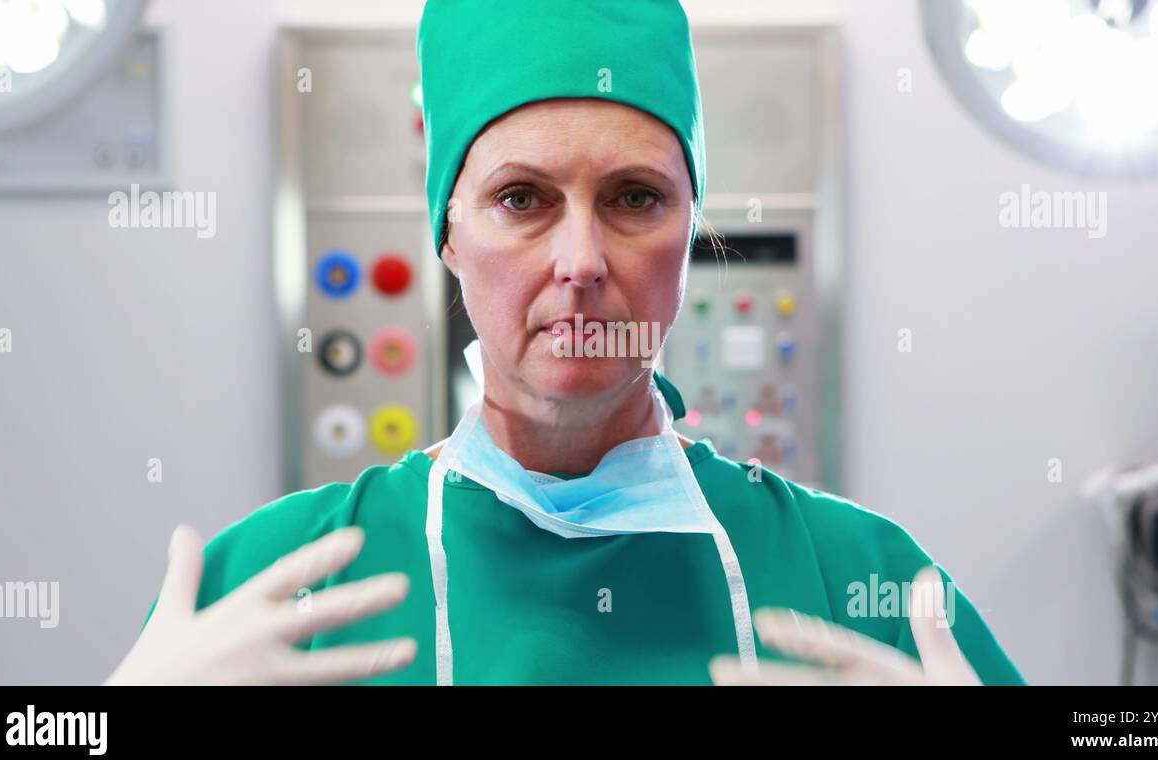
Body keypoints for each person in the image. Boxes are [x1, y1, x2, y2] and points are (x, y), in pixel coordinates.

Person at [106, 0, 1025, 686]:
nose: (581, 261)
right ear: (448, 230)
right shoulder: (272, 586)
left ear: (689, 226)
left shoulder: (864, 583)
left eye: (634, 198)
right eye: (522, 199)